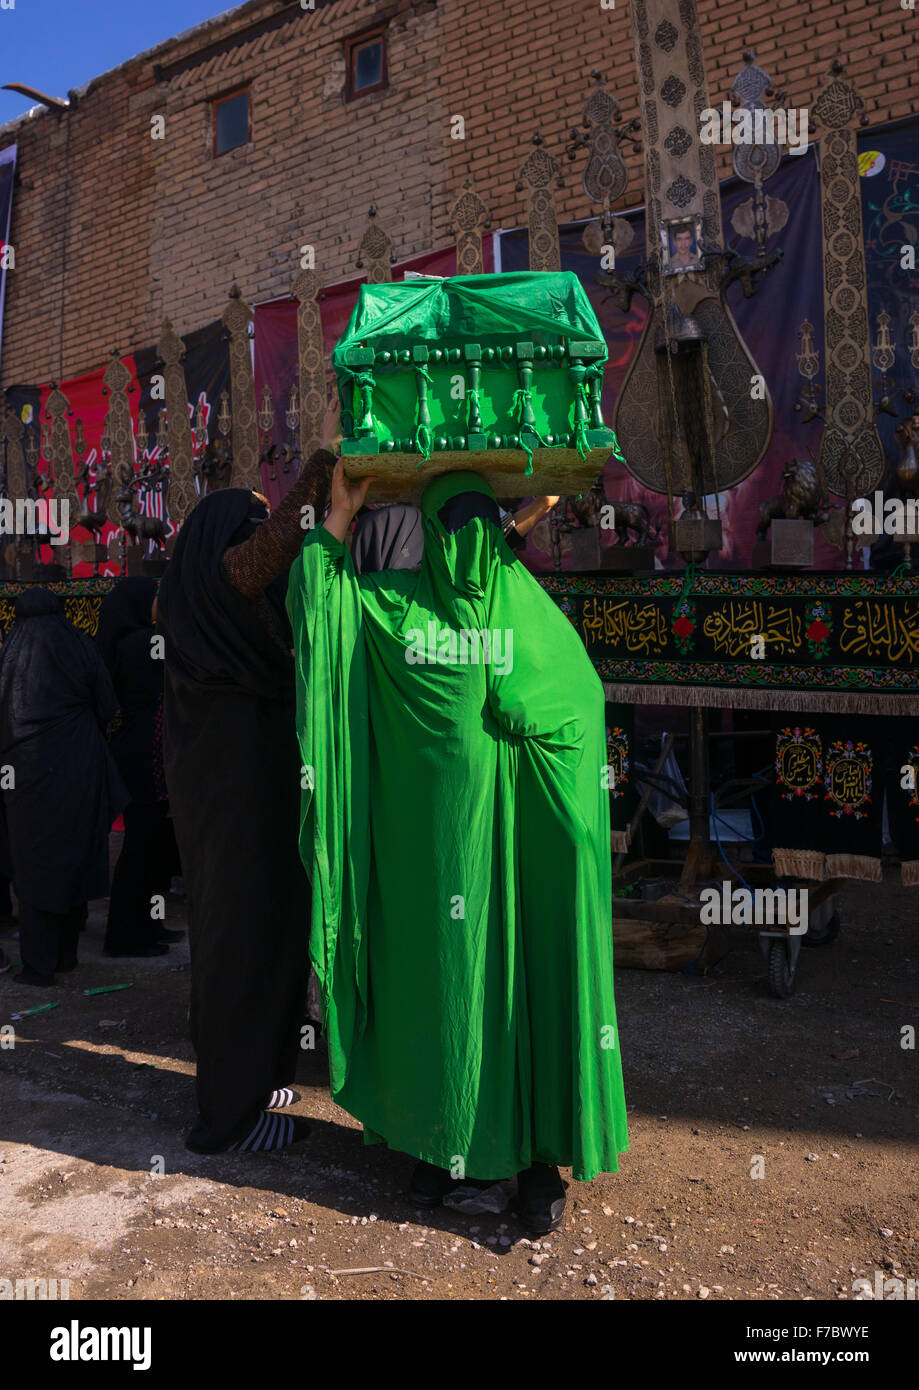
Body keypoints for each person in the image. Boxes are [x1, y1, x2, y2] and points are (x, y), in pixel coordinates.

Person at [287, 446, 629, 1235]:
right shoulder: (481, 618)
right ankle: (478, 1158)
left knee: (491, 995)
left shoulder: (418, 619)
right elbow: (323, 603)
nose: (471, 546)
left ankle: (504, 1160)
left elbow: (322, 600)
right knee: (479, 996)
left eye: (476, 528)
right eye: (461, 528)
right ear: (442, 537)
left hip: (487, 866)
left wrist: (338, 514)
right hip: (475, 868)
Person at [156, 414, 339, 1154]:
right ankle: (228, 1116)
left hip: (232, 809)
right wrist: (318, 480)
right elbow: (258, 561)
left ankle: (255, 1081)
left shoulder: (207, 647)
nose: (255, 540)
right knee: (241, 944)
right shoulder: (223, 603)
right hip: (238, 813)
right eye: (245, 528)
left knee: (258, 942)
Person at [0, 589, 127, 986]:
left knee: (34, 861)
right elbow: (108, 704)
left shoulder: (9, 654)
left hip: (25, 773)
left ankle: (38, 966)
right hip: (81, 764)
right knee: (76, 849)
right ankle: (67, 955)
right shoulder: (80, 645)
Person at [96, 577, 182, 957]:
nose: (158, 604)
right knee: (140, 852)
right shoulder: (144, 644)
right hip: (145, 760)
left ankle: (148, 927)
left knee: (152, 851)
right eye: (155, 598)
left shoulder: (128, 642)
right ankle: (124, 936)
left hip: (142, 755)